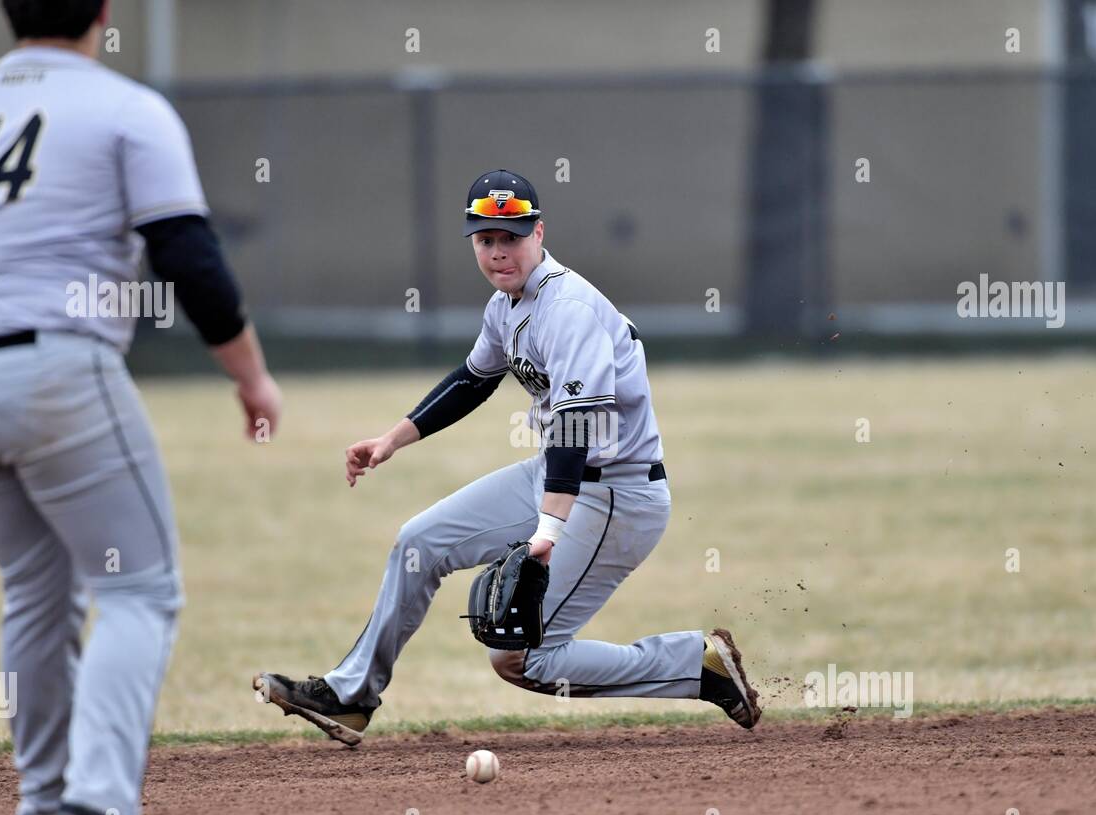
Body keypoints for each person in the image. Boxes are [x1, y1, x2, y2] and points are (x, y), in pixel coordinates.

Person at [0, 0, 282, 815]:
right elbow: (189, 258)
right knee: (139, 590)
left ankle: (43, 806)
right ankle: (96, 810)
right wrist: (252, 377)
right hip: (55, 370)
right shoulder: (127, 109)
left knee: (36, 593)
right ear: (105, 11)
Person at [254, 168, 760, 744]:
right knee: (421, 543)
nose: (498, 252)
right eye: (485, 239)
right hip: (561, 477)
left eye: (511, 236)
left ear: (539, 233)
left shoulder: (569, 310)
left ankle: (693, 664)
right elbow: (474, 380)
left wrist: (547, 532)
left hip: (618, 495)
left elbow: (578, 424)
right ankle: (351, 696)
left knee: (521, 659)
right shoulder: (508, 304)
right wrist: (392, 439)